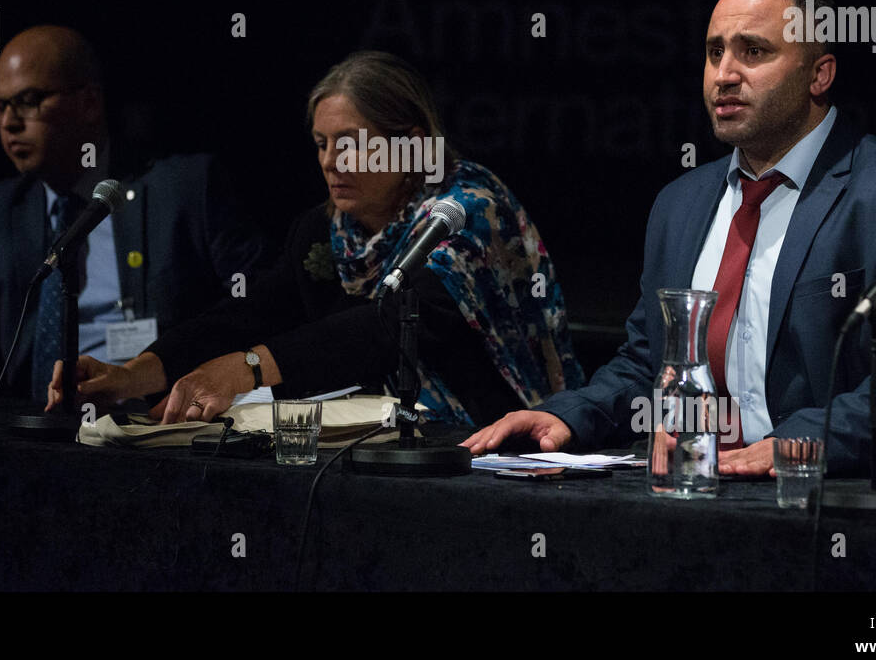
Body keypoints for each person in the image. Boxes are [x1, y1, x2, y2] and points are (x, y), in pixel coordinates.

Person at [463, 0, 876, 476]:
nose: (724, 74)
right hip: (700, 487)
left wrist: (794, 446)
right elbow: (648, 363)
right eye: (715, 53)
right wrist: (566, 415)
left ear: (819, 74)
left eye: (753, 52)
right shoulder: (680, 203)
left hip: (834, 503)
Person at [48, 50, 583, 427]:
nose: (329, 161)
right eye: (321, 143)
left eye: (349, 143)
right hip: (378, 450)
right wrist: (138, 372)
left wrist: (248, 368)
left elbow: (387, 325)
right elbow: (253, 313)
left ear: (412, 145)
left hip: (494, 445)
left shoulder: (466, 213)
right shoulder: (327, 230)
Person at [0, 25, 270, 401]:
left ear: (89, 103)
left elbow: (257, 300)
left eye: (28, 100)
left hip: (158, 418)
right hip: (38, 426)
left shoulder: (184, 189)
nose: (10, 122)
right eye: (0, 107)